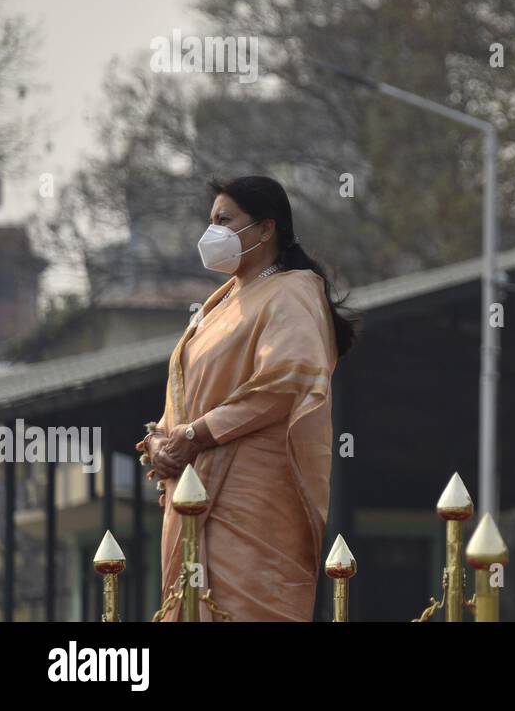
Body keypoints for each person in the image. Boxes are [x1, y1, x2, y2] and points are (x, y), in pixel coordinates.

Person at [134, 175, 360, 621]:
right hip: (191, 489)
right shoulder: (219, 304)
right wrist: (160, 441)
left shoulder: (292, 290)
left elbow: (286, 382)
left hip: (251, 497)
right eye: (210, 220)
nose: (211, 232)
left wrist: (197, 434)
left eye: (224, 220)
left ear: (265, 229)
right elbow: (185, 396)